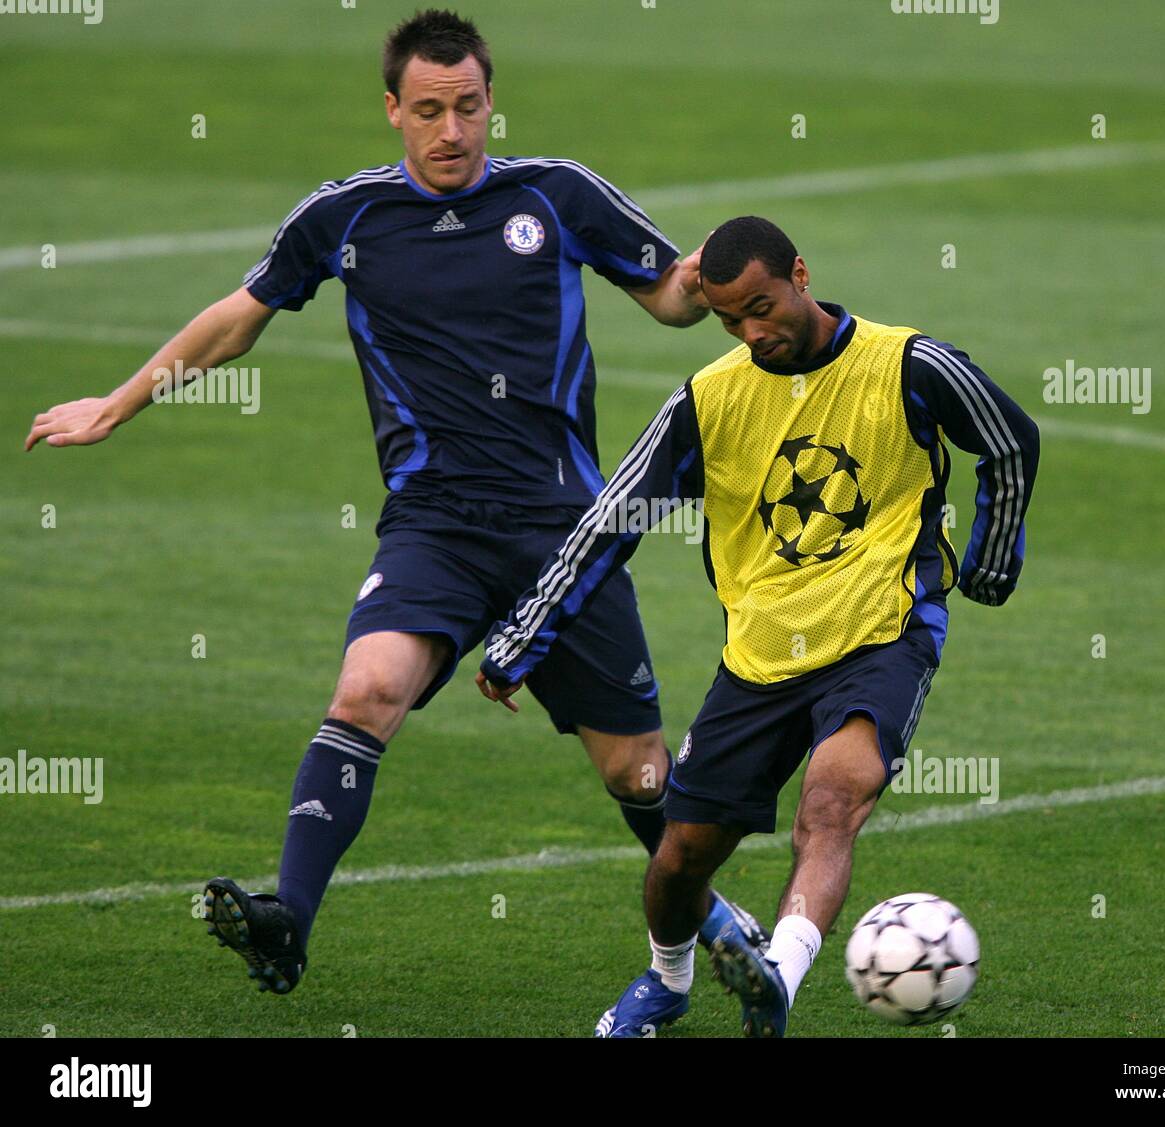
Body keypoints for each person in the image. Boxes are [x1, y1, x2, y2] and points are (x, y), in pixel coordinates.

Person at [24, 9, 764, 997]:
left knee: (635, 774)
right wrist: (119, 403)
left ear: (491, 100)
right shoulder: (346, 218)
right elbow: (235, 321)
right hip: (433, 528)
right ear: (392, 110)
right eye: (428, 111)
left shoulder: (556, 196)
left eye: (467, 108)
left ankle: (706, 912)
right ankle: (287, 918)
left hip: (564, 535)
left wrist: (721, 277)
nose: (451, 130)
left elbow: (670, 298)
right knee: (365, 691)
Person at [478, 215, 1040, 1036]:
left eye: (762, 307)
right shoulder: (710, 399)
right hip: (761, 655)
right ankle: (668, 981)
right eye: (729, 319)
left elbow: (1010, 437)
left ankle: (775, 976)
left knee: (830, 802)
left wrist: (992, 555)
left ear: (801, 275)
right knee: (679, 861)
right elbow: (612, 521)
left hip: (881, 633)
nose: (752, 332)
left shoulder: (907, 363)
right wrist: (526, 636)